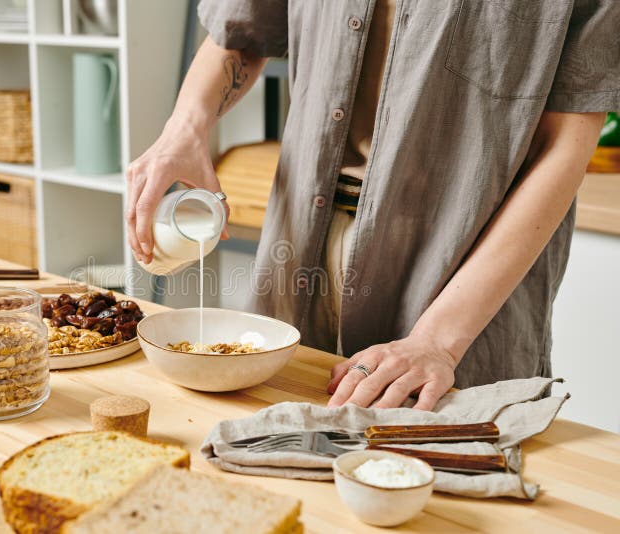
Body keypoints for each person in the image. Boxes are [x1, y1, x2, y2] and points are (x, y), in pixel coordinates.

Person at [125, 1, 619, 410]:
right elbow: (243, 32)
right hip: (298, 248)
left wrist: (439, 342)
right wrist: (184, 129)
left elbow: (564, 146)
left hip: (459, 278)